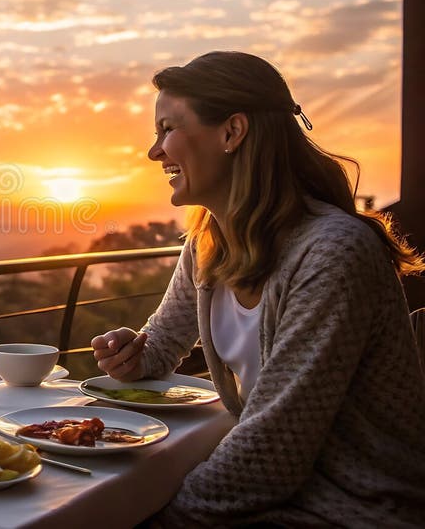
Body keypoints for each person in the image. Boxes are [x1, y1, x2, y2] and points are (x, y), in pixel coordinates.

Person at [91, 51, 425, 527]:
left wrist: (161, 518)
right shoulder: (209, 239)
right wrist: (131, 355)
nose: (155, 151)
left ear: (232, 132)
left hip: (357, 508)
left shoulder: (332, 254)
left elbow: (273, 452)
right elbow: (161, 345)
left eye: (168, 129)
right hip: (283, 493)